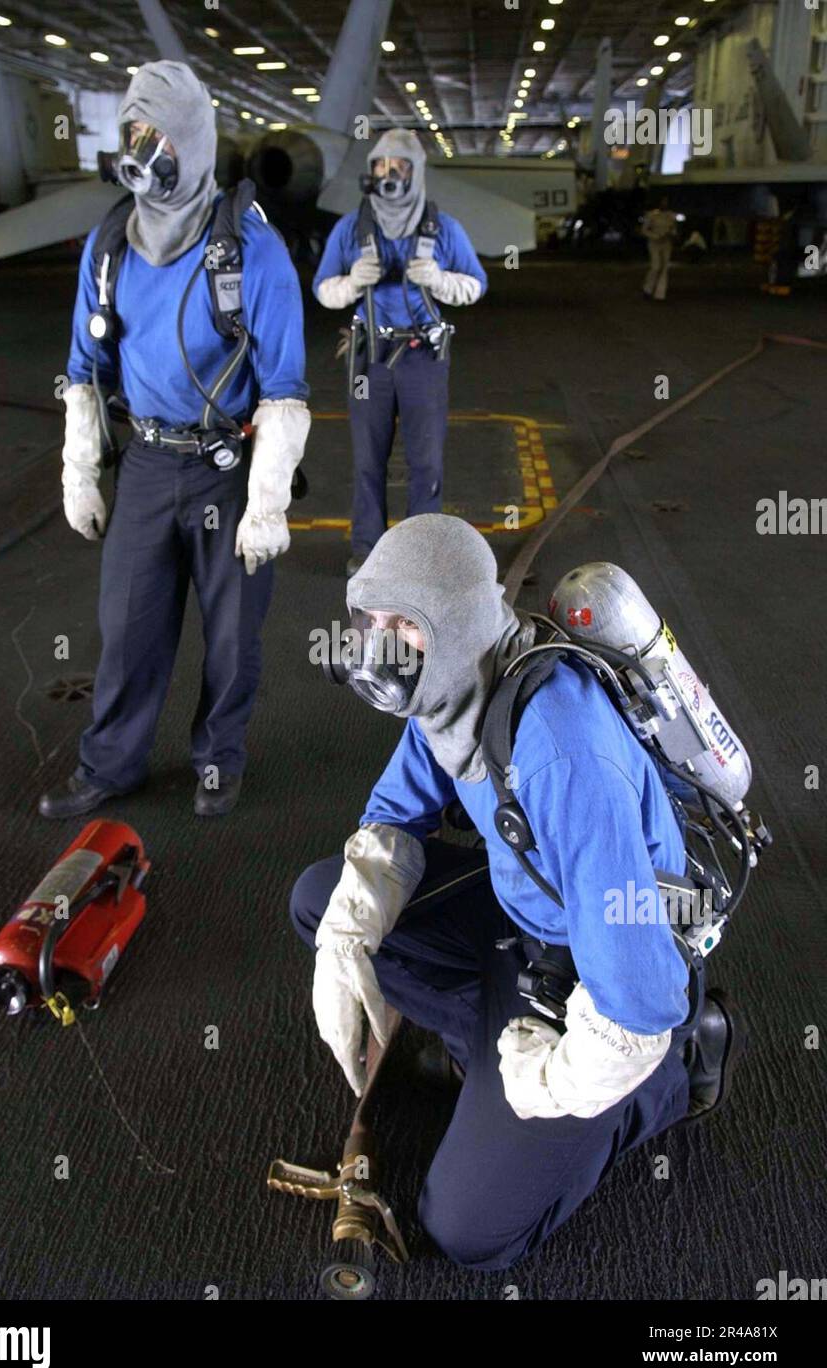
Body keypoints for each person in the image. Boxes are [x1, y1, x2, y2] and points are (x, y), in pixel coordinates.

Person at [290, 514, 746, 1270]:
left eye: (404, 623)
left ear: (460, 621)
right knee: (323, 900)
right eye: (371, 620)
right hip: (528, 919)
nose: (378, 643)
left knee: (470, 1230)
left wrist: (559, 1080)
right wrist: (347, 934)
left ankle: (673, 1073)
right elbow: (396, 813)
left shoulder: (562, 753)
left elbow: (634, 1000)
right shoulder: (459, 680)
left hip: (613, 968)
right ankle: (486, 1039)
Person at [39, 61, 310, 821]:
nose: (142, 148)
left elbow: (286, 389)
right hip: (151, 466)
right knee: (125, 629)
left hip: (229, 470)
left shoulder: (253, 254)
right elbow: (82, 369)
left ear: (192, 141)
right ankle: (110, 766)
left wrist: (267, 502)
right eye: (132, 132)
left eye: (156, 134)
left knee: (231, 639)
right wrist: (80, 473)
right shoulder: (109, 247)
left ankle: (219, 760)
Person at [313, 129, 486, 577]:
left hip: (422, 356)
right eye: (380, 167)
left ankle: (421, 555)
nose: (388, 176)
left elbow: (475, 285)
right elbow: (323, 290)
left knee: (425, 463)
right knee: (367, 459)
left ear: (416, 173)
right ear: (369, 173)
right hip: (369, 355)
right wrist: (352, 282)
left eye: (399, 167)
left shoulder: (442, 229)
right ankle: (368, 553)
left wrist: (439, 280)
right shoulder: (350, 229)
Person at [641, 196, 678, 301]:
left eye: (666, 202)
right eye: (663, 201)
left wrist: (671, 234)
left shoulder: (671, 215)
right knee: (656, 266)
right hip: (654, 243)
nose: (664, 204)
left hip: (666, 243)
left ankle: (660, 293)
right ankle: (648, 288)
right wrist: (655, 236)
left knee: (665, 267)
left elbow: (674, 229)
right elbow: (644, 230)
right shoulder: (651, 215)